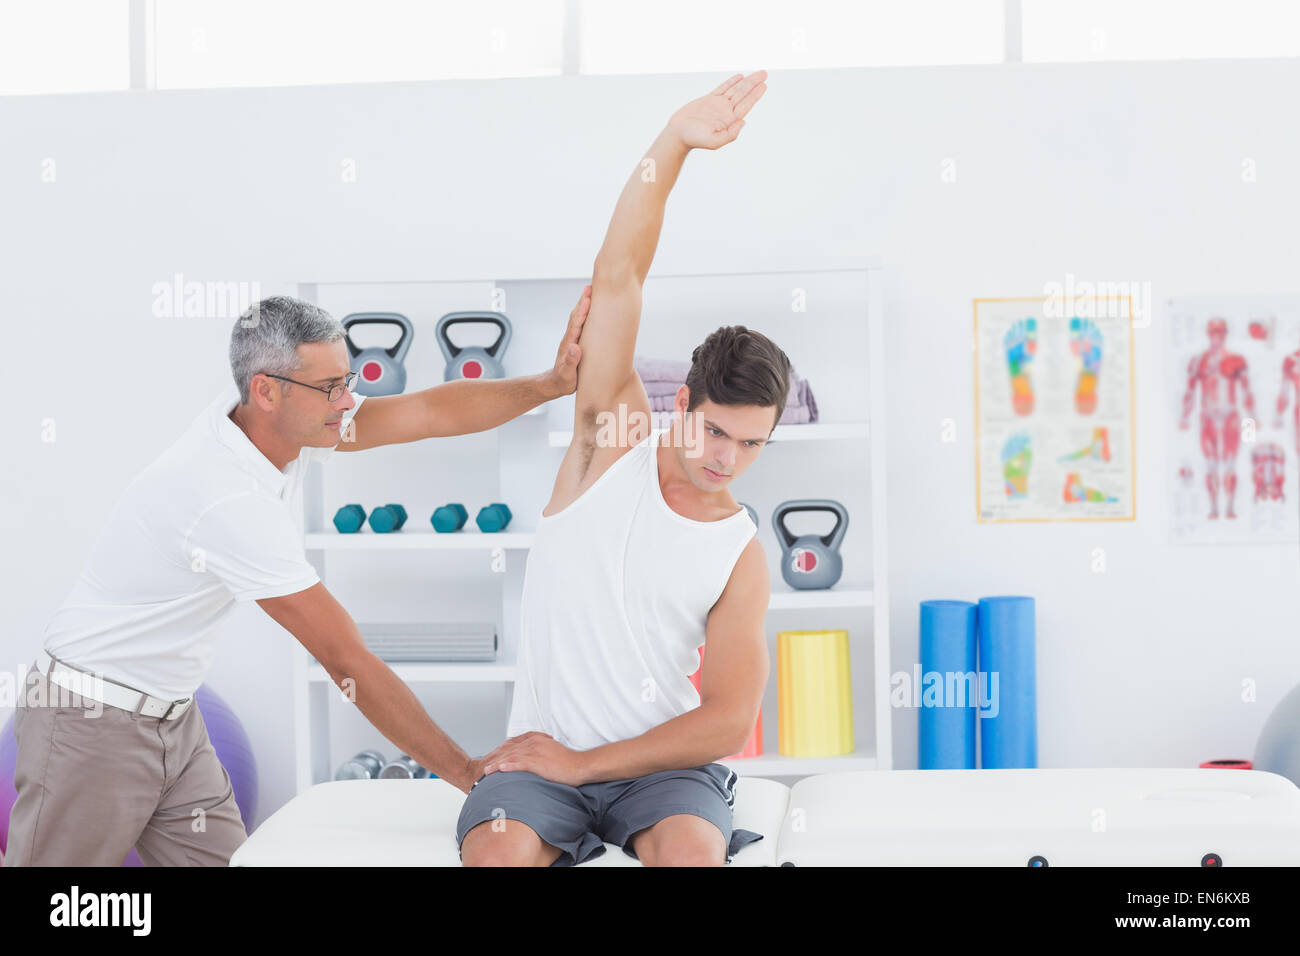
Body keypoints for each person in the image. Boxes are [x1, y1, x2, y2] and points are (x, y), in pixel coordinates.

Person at [3, 292, 590, 866]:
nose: (348, 399)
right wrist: (467, 772)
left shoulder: (278, 426)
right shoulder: (227, 497)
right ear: (266, 389)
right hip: (92, 723)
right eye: (330, 386)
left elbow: (431, 412)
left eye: (349, 378)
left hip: (173, 720)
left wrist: (549, 384)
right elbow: (346, 662)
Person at [456, 71, 786, 867]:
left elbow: (726, 719)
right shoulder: (615, 440)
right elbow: (620, 278)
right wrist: (673, 143)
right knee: (496, 856)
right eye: (716, 433)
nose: (726, 459)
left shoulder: (739, 550)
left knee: (693, 856)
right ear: (683, 406)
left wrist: (590, 766)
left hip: (658, 772)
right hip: (543, 759)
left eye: (750, 445)